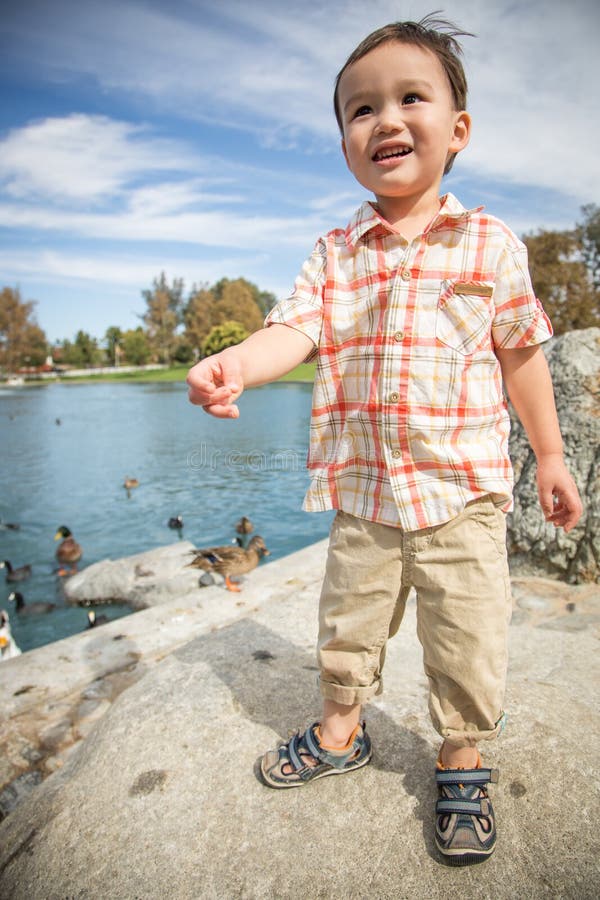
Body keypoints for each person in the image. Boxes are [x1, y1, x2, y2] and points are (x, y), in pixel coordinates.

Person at [186, 15, 582, 866]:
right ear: (343, 144)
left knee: (468, 637)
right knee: (347, 625)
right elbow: (290, 330)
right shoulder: (335, 255)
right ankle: (341, 729)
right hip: (364, 493)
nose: (386, 120)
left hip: (464, 498)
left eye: (411, 98)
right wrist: (238, 365)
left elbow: (521, 356)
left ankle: (463, 756)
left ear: (458, 130)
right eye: (361, 110)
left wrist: (549, 453)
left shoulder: (490, 245)